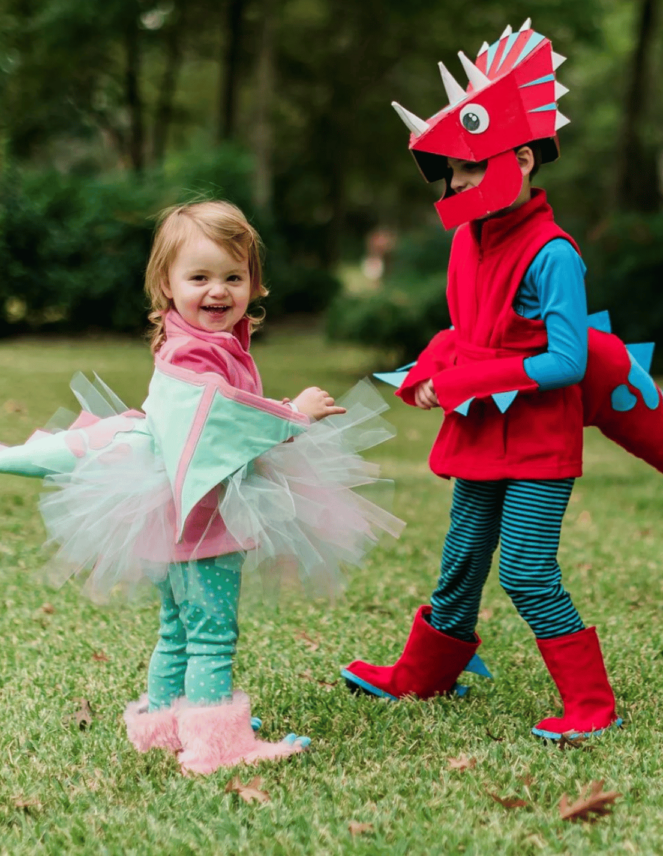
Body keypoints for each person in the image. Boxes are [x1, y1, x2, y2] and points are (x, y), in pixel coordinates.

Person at [0, 200, 403, 773]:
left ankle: (165, 726)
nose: (218, 290)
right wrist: (295, 413)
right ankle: (217, 745)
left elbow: (215, 409)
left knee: (178, 627)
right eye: (199, 278)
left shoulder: (194, 339)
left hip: (173, 509)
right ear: (166, 284)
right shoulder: (197, 349)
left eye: (233, 277)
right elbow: (221, 416)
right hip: (203, 514)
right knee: (211, 632)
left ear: (253, 283)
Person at [343, 21, 619, 739]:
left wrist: (466, 381)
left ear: (521, 158)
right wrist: (430, 371)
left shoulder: (553, 253)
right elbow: (466, 332)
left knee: (527, 570)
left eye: (468, 167)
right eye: (450, 173)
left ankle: (591, 707)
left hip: (537, 446)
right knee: (462, 558)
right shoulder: (468, 239)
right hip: (479, 436)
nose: (457, 184)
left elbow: (567, 361)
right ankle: (424, 675)